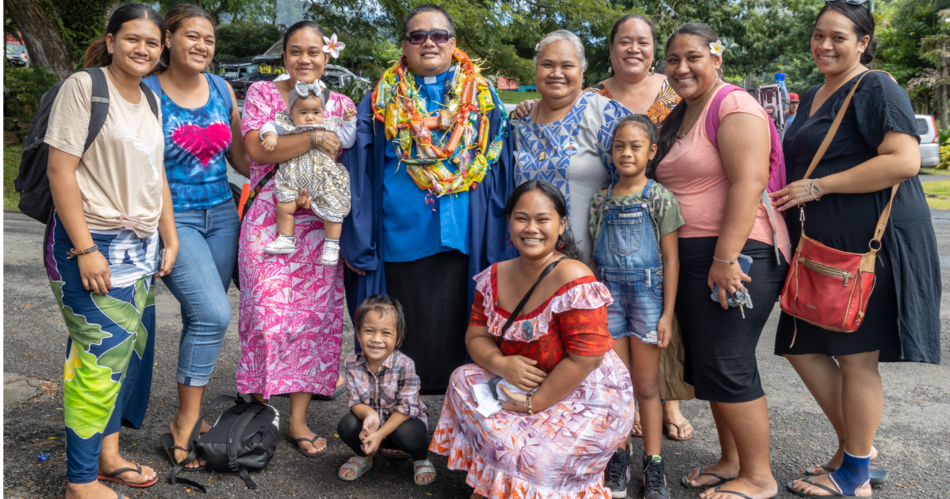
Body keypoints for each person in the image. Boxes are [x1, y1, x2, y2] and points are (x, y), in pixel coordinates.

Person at [771, 2, 940, 497]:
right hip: (823, 244)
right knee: (801, 346)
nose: (825, 45)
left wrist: (818, 187)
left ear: (863, 42)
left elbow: (905, 160)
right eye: (819, 35)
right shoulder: (816, 93)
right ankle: (856, 448)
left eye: (839, 37)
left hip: (869, 245)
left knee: (856, 358)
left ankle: (855, 474)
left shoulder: (876, 87)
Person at [341, 4, 515, 395]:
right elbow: (360, 171)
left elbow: (499, 167)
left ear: (453, 44)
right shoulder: (380, 101)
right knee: (399, 333)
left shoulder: (485, 101)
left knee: (463, 333)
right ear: (404, 46)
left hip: (465, 236)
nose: (429, 43)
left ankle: (460, 420)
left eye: (439, 35)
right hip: (401, 233)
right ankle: (395, 421)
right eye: (418, 36)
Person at [653, 22, 791, 499]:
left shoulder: (732, 105)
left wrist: (726, 257)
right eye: (673, 59)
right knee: (712, 362)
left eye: (693, 57)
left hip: (737, 253)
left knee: (728, 361)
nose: (682, 67)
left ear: (717, 59)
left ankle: (758, 477)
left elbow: (749, 183)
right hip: (696, 255)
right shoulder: (680, 112)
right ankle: (732, 460)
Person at [430, 180, 635, 499]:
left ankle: (519, 480)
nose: (532, 228)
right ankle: (499, 481)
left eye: (543, 219)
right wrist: (500, 363)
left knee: (535, 459)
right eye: (521, 218)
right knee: (461, 380)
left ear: (562, 224)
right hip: (520, 382)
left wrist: (532, 403)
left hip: (584, 395)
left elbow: (588, 359)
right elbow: (476, 334)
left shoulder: (574, 277)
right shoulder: (494, 275)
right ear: (509, 222)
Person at [44, 4, 173, 498]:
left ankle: (109, 455)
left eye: (152, 42)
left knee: (125, 356)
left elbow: (155, 175)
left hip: (141, 245)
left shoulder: (150, 99)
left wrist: (170, 235)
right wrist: (84, 249)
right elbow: (61, 171)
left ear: (161, 49)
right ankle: (80, 482)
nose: (142, 49)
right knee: (97, 361)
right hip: (91, 241)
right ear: (112, 40)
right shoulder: (85, 87)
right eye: (132, 38)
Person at [237, 20, 355, 457]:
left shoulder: (341, 102)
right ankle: (258, 409)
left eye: (314, 52)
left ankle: (298, 420)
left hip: (319, 223)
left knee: (310, 323)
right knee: (266, 317)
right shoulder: (263, 93)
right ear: (283, 55)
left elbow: (339, 156)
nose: (305, 59)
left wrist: (313, 154)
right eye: (295, 51)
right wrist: (313, 136)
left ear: (328, 55)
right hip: (270, 217)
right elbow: (258, 150)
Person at [144, 4, 249, 471]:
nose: (202, 45)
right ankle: (184, 425)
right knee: (212, 313)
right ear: (168, 39)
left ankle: (188, 414)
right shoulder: (146, 90)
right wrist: (167, 233)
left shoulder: (222, 88)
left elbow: (244, 159)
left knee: (200, 316)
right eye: (192, 36)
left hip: (222, 214)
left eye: (209, 39)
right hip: (172, 217)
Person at [589, 115, 683, 498]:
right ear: (610, 152)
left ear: (651, 151)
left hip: (648, 301)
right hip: (609, 300)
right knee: (617, 386)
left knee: (646, 385)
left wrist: (667, 315)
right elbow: (596, 260)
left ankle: (654, 463)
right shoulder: (601, 199)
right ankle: (619, 456)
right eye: (619, 146)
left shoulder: (659, 197)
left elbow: (672, 259)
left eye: (635, 146)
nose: (626, 153)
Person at [514, 30, 631, 256]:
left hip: (596, 263)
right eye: (547, 64)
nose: (556, 73)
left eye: (567, 65)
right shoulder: (520, 123)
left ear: (582, 70)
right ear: (536, 68)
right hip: (528, 262)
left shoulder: (606, 114)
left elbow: (632, 186)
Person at [336, 295, 435, 486]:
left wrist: (380, 434)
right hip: (371, 429)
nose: (376, 339)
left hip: (400, 426)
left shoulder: (405, 364)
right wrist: (370, 415)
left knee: (409, 435)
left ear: (398, 337)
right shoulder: (351, 363)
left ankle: (420, 458)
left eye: (386, 333)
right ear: (358, 333)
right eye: (369, 331)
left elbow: (407, 408)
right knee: (346, 425)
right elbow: (354, 401)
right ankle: (363, 456)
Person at [259, 80, 357, 261]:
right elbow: (268, 126)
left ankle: (332, 244)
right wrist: (271, 136)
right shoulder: (287, 123)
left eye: (315, 112)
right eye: (303, 112)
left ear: (323, 112)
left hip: (324, 179)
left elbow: (348, 141)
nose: (310, 117)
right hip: (293, 178)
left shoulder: (328, 124)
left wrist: (349, 123)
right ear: (291, 113)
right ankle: (286, 237)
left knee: (333, 210)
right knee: (285, 205)